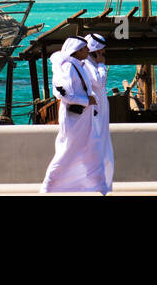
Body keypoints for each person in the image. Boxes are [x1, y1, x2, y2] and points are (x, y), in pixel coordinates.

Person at [40, 36, 104, 193]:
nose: (88, 51)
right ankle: (48, 186)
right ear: (76, 51)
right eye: (84, 49)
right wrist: (86, 101)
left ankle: (99, 186)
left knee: (92, 149)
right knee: (66, 152)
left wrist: (89, 101)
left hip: (84, 117)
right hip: (74, 119)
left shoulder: (79, 66)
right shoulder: (69, 67)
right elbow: (63, 95)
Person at [84, 33, 114, 193]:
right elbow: (100, 82)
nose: (103, 55)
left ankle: (103, 185)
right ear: (95, 51)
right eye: (101, 52)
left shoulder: (92, 64)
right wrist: (102, 64)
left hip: (100, 115)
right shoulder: (88, 65)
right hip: (96, 116)